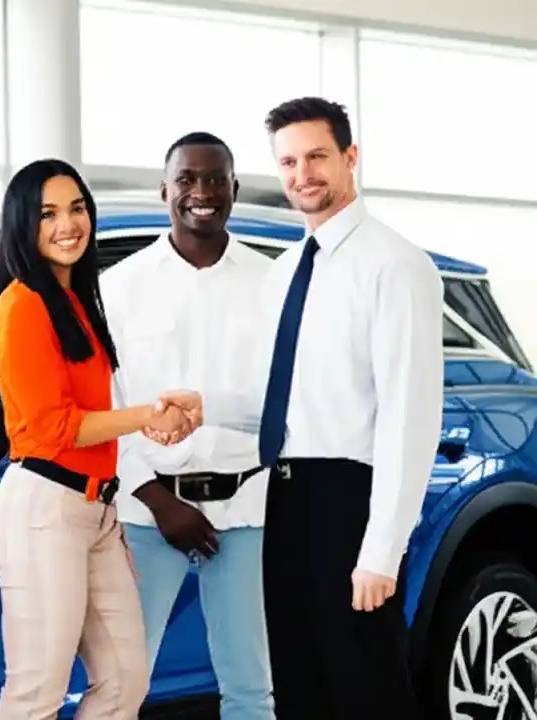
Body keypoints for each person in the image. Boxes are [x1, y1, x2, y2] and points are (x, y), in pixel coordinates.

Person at [162, 97, 442, 718]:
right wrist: (206, 406)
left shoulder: (396, 265)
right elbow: (278, 398)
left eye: (317, 156)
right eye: (288, 161)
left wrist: (381, 550)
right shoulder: (286, 269)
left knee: (364, 688)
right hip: (285, 500)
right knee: (299, 685)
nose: (302, 174)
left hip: (350, 501)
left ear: (350, 157)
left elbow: (409, 417)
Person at [0, 157, 201, 720]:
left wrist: (157, 416)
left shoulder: (76, 300)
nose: (68, 224)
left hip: (95, 508)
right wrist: (146, 416)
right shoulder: (22, 304)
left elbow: (94, 412)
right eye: (48, 213)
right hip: (43, 510)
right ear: (22, 225)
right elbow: (59, 427)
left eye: (77, 208)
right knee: (37, 692)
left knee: (126, 679)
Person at [100, 132, 274, 719]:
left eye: (214, 179)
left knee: (251, 688)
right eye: (187, 180)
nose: (201, 192)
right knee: (122, 685)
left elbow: (284, 398)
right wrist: (155, 500)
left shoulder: (269, 282)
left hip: (248, 508)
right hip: (149, 513)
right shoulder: (118, 286)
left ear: (234, 189)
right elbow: (107, 405)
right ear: (165, 190)